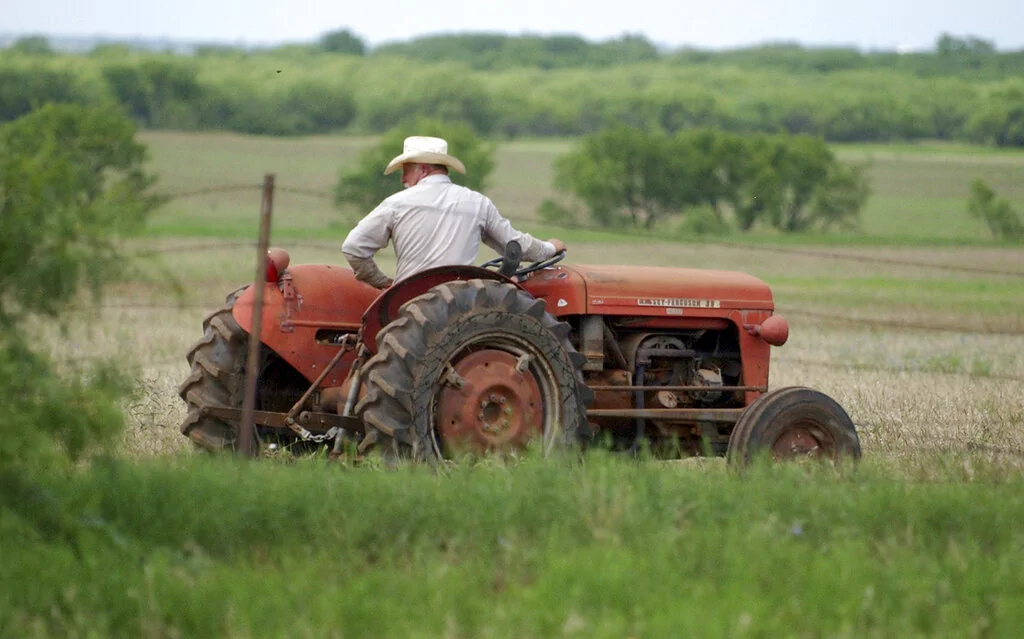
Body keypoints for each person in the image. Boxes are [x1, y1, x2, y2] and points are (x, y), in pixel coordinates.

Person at [341, 135, 567, 289]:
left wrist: (384, 283)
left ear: (423, 169)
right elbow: (516, 246)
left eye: (406, 171)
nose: (402, 179)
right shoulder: (477, 202)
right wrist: (549, 248)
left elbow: (353, 247)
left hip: (408, 300)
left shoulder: (396, 203)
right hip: (462, 302)